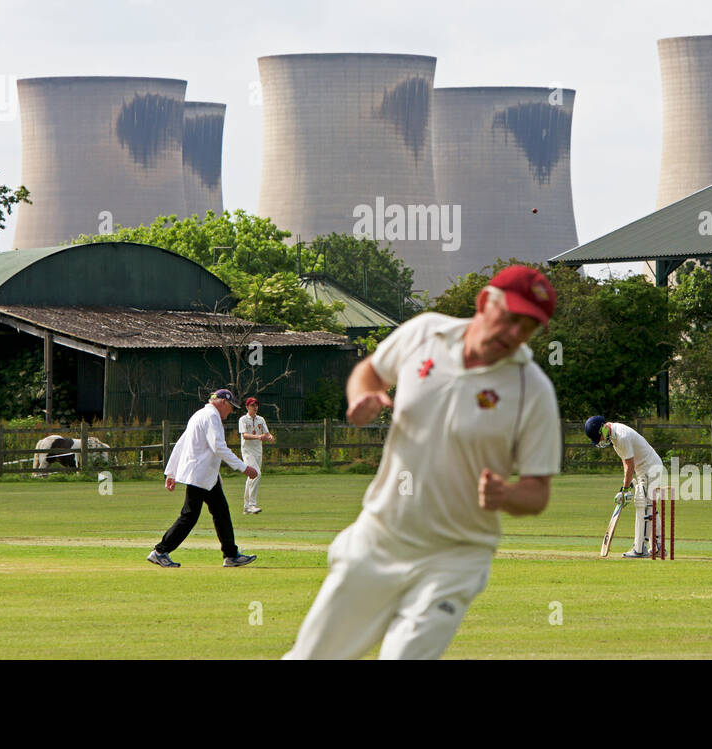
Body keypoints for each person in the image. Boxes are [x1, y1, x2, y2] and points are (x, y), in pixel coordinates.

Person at [285, 264, 562, 660]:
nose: (516, 334)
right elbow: (370, 371)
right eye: (511, 318)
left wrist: (506, 494)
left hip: (456, 555)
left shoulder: (532, 390)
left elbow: (537, 493)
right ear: (485, 302)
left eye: (529, 327)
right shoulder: (425, 332)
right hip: (381, 537)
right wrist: (361, 397)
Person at [148, 389, 259, 568]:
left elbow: (181, 443)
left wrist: (171, 472)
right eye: (230, 407)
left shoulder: (199, 415)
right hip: (200, 475)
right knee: (190, 515)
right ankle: (160, 551)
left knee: (221, 511)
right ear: (223, 402)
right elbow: (218, 447)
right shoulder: (211, 417)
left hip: (206, 476)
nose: (230, 411)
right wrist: (244, 467)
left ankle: (231, 555)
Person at [584, 417, 664, 558]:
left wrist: (625, 490)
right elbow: (626, 463)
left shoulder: (621, 436)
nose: (600, 440)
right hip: (647, 469)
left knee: (642, 506)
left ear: (603, 428)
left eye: (599, 437)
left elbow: (630, 466)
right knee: (649, 507)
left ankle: (640, 549)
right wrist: (626, 485)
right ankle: (658, 547)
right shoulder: (615, 437)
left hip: (650, 469)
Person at [238, 396, 274, 514]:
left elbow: (266, 433)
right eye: (252, 405)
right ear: (247, 407)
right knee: (256, 474)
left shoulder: (261, 419)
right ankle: (252, 505)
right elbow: (245, 435)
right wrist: (259, 437)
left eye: (256, 405)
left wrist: (269, 437)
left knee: (251, 478)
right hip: (247, 451)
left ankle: (246, 507)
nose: (255, 407)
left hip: (258, 451)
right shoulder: (243, 419)